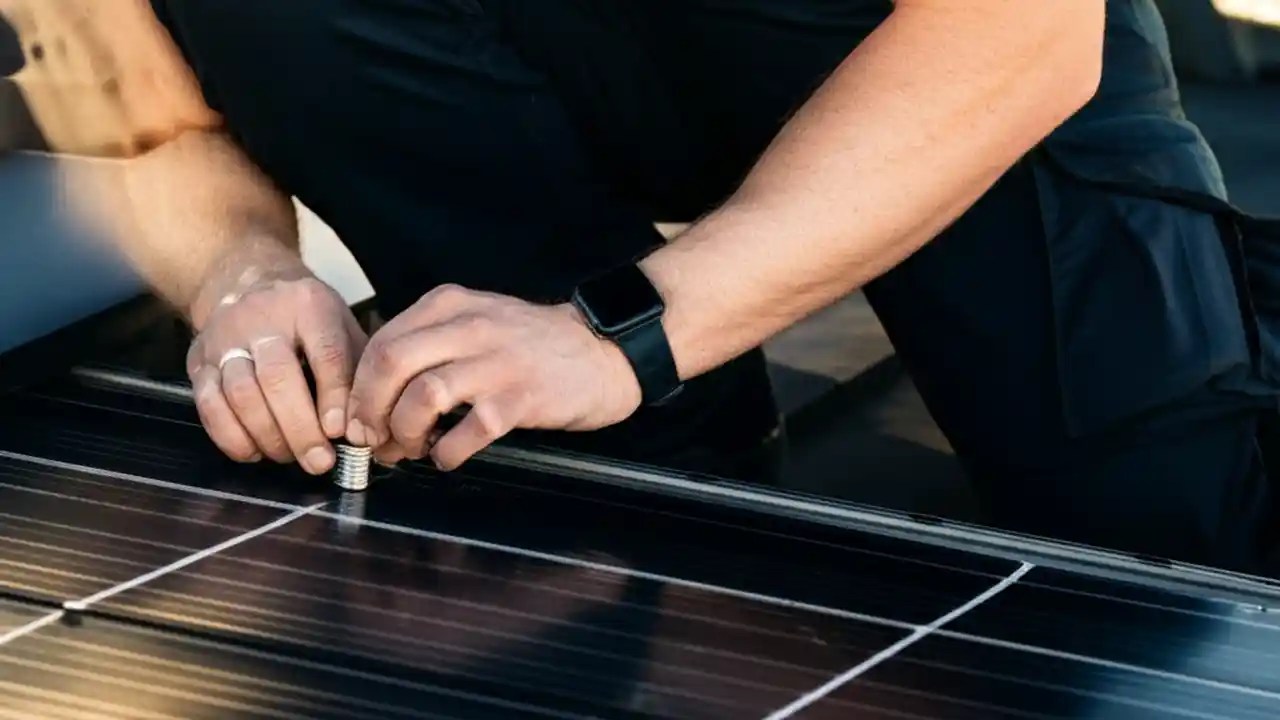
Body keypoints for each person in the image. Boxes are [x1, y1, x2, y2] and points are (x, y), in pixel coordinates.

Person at [4, 0, 1277, 571]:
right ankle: (658, 462)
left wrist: (627, 333)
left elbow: (1016, 37)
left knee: (1164, 549)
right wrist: (239, 269)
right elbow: (140, 107)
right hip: (540, 46)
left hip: (925, 49)